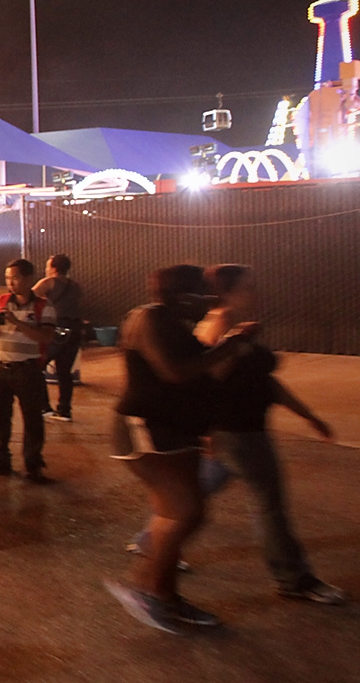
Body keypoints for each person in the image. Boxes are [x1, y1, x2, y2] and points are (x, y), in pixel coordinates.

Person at [104, 265, 257, 633]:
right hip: (146, 428)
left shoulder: (174, 322)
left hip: (174, 430)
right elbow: (174, 372)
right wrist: (231, 345)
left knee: (173, 514)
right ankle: (150, 590)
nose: (210, 300)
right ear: (181, 294)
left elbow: (201, 376)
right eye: (202, 293)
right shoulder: (149, 318)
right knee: (187, 512)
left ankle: (162, 594)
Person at [194, 264, 344, 606]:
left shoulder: (240, 328)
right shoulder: (219, 325)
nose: (256, 292)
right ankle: (293, 578)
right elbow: (207, 381)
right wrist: (208, 433)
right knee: (269, 504)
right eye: (248, 287)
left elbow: (264, 382)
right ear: (227, 293)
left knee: (196, 491)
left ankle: (154, 542)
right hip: (236, 432)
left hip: (246, 430)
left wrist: (309, 416)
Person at [0, 259, 56, 482]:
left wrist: (17, 323)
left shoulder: (43, 306)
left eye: (15, 278)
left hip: (27, 369)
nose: (10, 283)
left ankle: (33, 464)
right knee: (1, 416)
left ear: (29, 279)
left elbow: (45, 336)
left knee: (32, 418)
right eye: (8, 278)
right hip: (0, 367)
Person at [34, 253, 84, 423]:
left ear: (54, 268)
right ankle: (64, 410)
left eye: (48, 266)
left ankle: (44, 407)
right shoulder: (76, 286)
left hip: (56, 329)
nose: (46, 269)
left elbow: (29, 297)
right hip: (75, 329)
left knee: (37, 365)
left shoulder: (49, 282)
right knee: (64, 372)